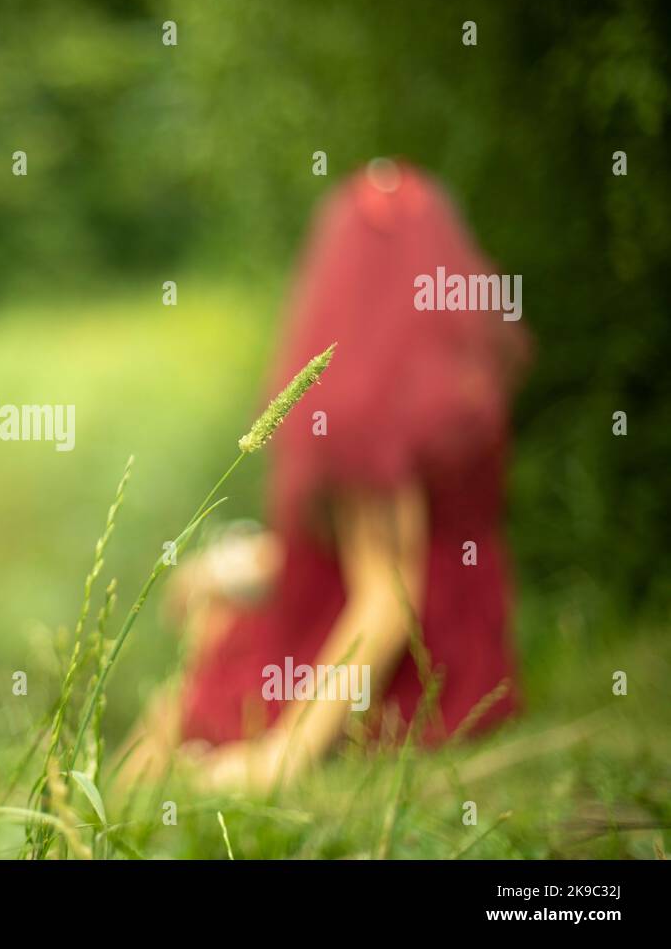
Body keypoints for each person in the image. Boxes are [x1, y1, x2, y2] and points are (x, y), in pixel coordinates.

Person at [118, 159, 530, 795]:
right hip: (468, 650)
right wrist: (244, 562)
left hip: (407, 672)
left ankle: (109, 807)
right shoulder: (454, 395)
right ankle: (114, 799)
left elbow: (390, 595)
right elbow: (402, 547)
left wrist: (286, 752)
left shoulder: (370, 408)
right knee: (219, 608)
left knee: (218, 658)